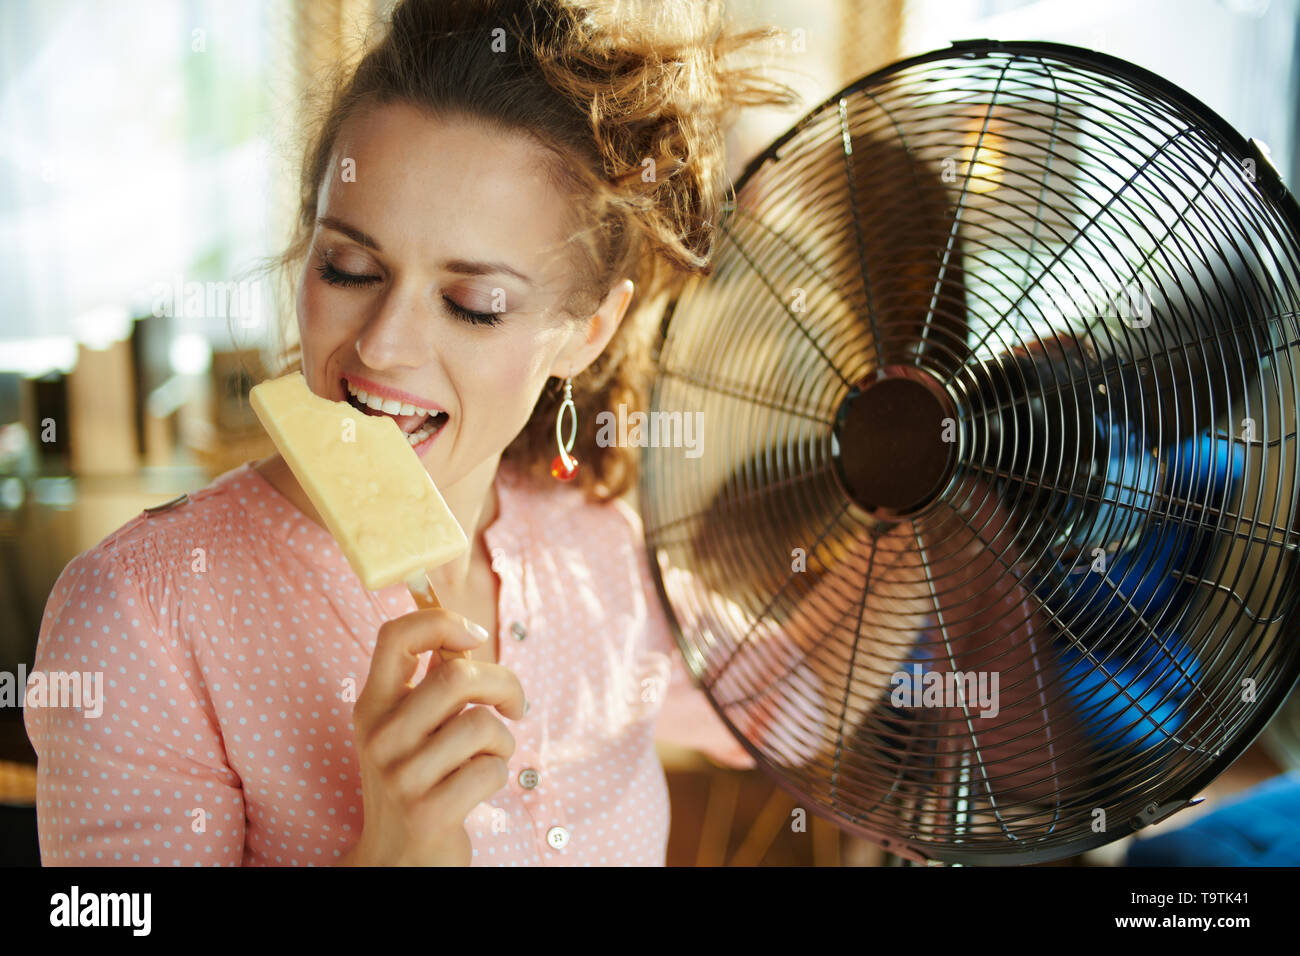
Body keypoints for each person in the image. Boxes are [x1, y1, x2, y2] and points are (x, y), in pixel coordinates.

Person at [24, 0, 803, 866]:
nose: (382, 344)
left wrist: (924, 487)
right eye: (349, 268)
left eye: (473, 305)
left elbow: (795, 701)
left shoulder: (599, 542)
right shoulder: (142, 614)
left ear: (590, 331)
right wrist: (393, 853)